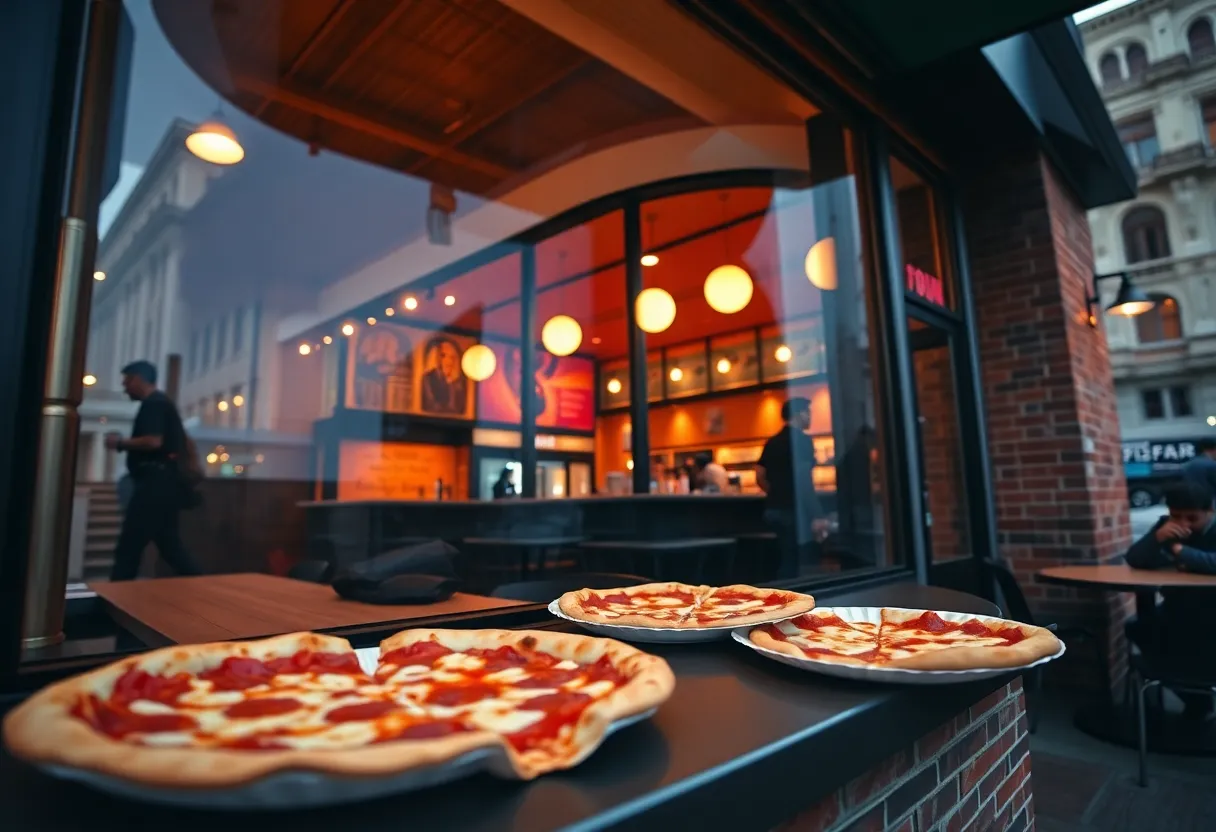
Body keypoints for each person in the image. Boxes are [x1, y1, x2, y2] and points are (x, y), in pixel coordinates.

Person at [1124, 480, 1216, 719]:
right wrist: (1157, 537)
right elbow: (1134, 558)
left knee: (1190, 641)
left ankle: (1197, 696)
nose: (1184, 524)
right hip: (1177, 609)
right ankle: (1190, 697)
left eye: (1192, 518)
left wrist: (1178, 550)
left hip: (1209, 613)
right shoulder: (1167, 526)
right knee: (1138, 629)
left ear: (1210, 512)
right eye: (1177, 517)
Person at [105, 361, 202, 581]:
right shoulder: (162, 403)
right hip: (163, 483)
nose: (125, 387)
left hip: (153, 484)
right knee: (170, 546)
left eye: (127, 381)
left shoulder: (154, 404)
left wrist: (119, 443)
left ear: (139, 378)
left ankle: (112, 603)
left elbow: (153, 441)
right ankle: (203, 585)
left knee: (129, 548)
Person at [756, 397, 824, 579]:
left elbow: (760, 475)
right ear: (799, 414)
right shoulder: (802, 441)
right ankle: (788, 600)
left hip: (772, 509)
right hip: (793, 510)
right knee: (795, 562)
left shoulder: (772, 442)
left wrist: (775, 492)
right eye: (808, 413)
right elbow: (803, 480)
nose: (810, 417)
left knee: (784, 558)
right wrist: (816, 514)